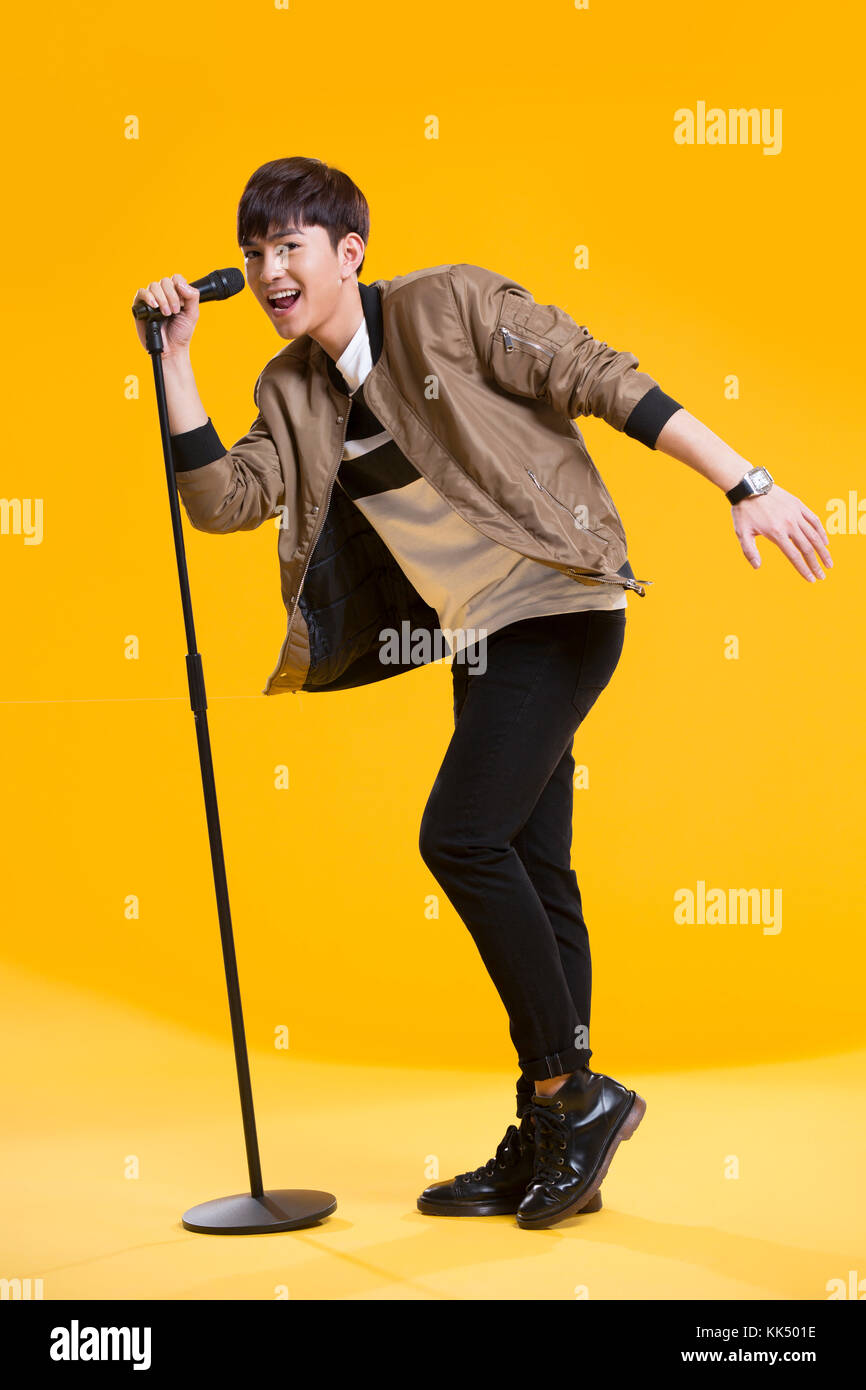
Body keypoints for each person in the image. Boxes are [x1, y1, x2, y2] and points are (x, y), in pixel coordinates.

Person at [132, 156, 832, 1231]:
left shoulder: (447, 305)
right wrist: (175, 363)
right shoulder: (290, 388)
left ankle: (574, 1095)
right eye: (253, 251)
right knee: (533, 861)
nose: (269, 270)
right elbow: (224, 500)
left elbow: (596, 374)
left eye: (289, 247)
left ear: (346, 252)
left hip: (557, 604)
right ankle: (555, 1133)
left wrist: (745, 481)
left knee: (458, 837)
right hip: (473, 636)